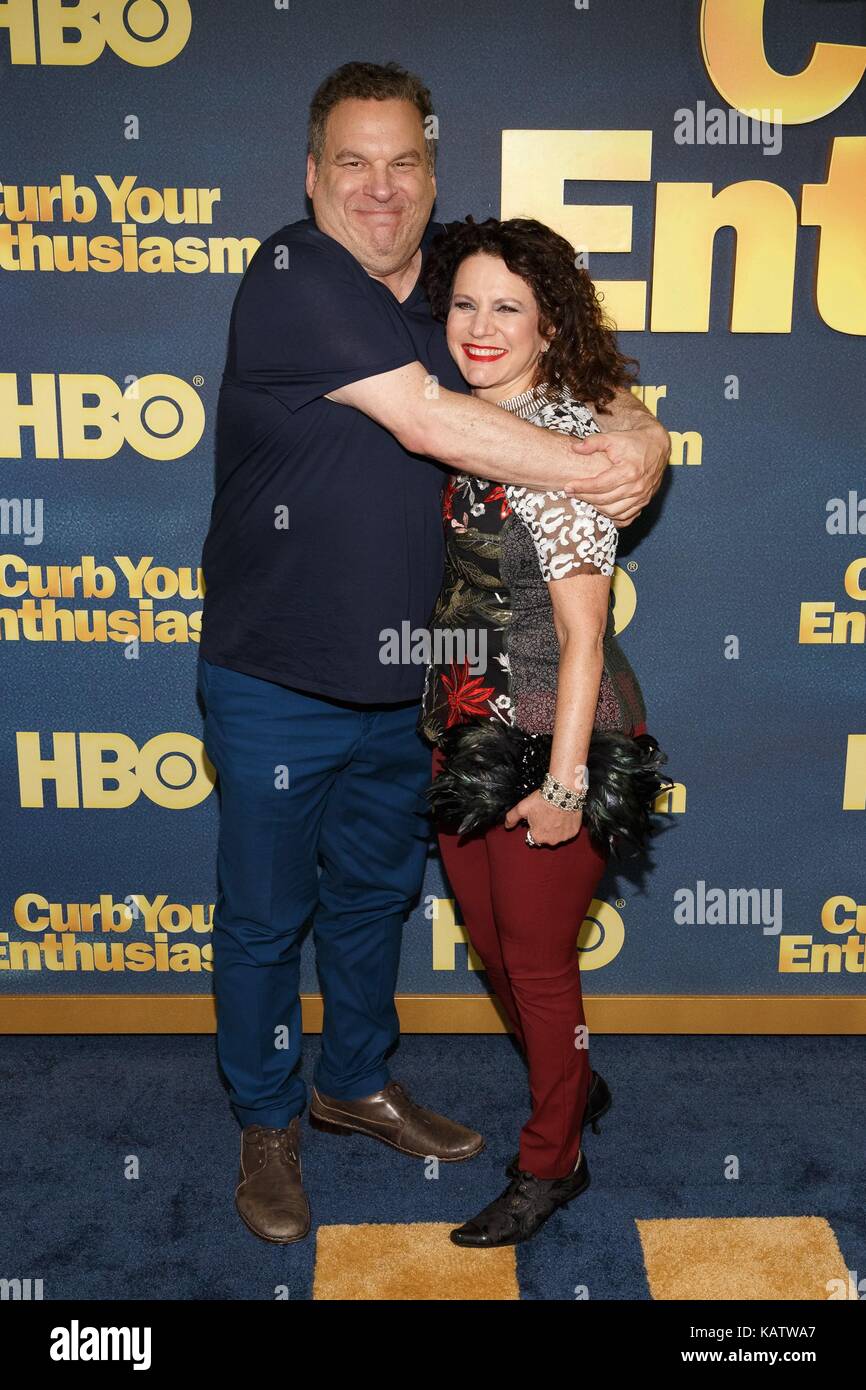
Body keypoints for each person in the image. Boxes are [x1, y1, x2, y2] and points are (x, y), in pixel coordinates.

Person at [197, 60, 670, 1244]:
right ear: (310, 176)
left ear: (431, 171)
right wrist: (603, 469)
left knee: (367, 904)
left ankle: (354, 1084)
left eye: (401, 160)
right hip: (274, 682)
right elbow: (429, 419)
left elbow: (554, 347)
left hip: (416, 696)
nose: (377, 187)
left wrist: (638, 426)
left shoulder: (453, 292)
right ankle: (266, 1121)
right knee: (264, 918)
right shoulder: (294, 272)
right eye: (350, 162)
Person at [419, 215, 670, 1247]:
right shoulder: (453, 421)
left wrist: (565, 785)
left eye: (506, 309)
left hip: (556, 735)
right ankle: (574, 1082)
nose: (479, 326)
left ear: (546, 327)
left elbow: (579, 636)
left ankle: (549, 1160)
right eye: (465, 303)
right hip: (465, 728)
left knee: (532, 965)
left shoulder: (567, 453)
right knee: (489, 946)